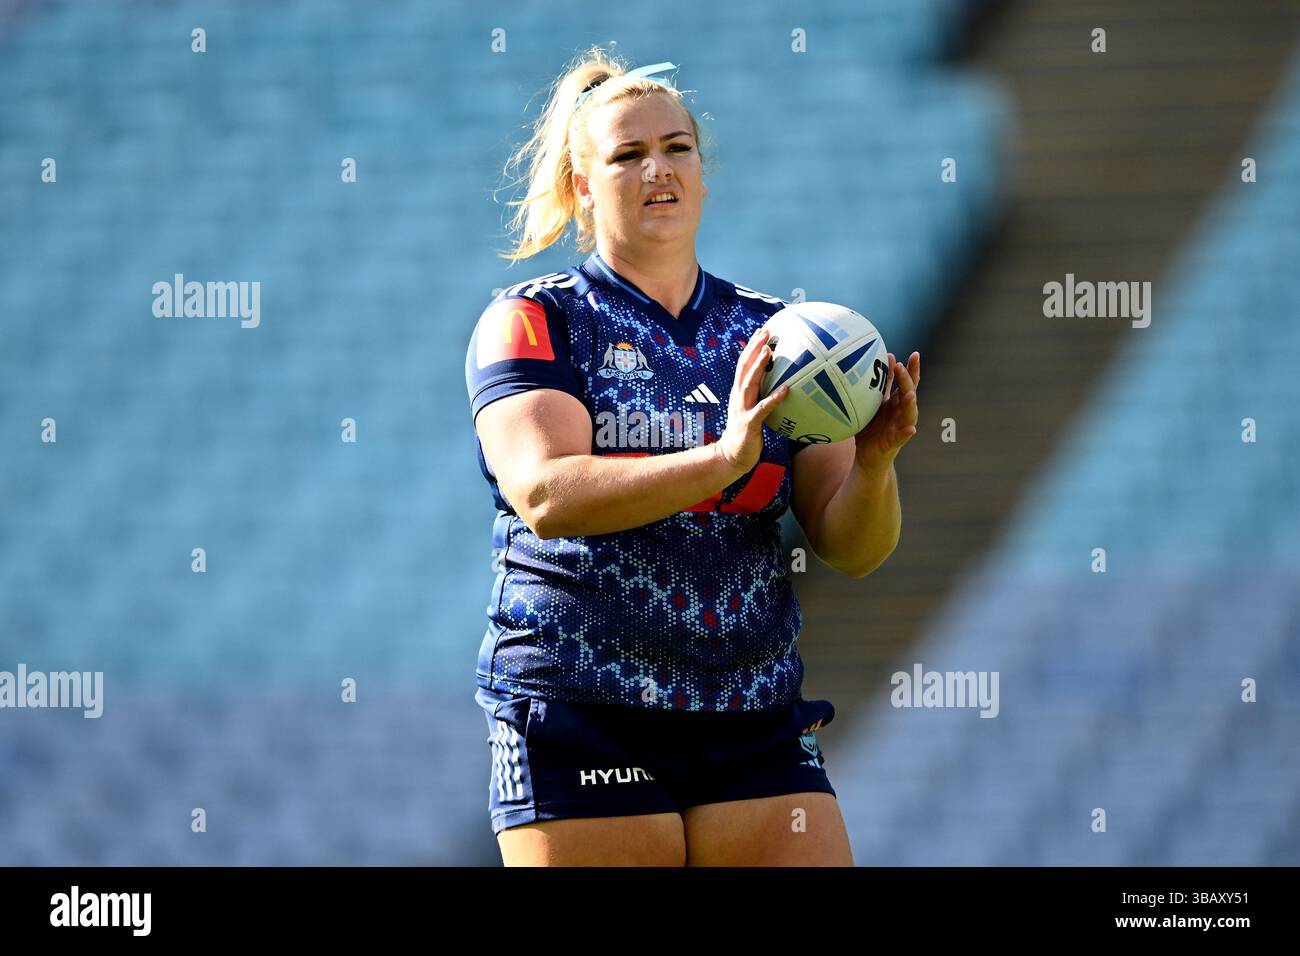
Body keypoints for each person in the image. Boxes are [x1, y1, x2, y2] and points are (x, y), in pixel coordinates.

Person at [464, 47, 922, 866]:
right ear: (581, 186)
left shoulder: (784, 338)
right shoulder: (535, 320)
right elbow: (545, 494)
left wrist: (878, 462)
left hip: (752, 716)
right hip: (584, 708)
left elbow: (854, 549)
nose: (658, 169)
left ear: (703, 172)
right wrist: (720, 460)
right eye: (627, 155)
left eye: (677, 147)